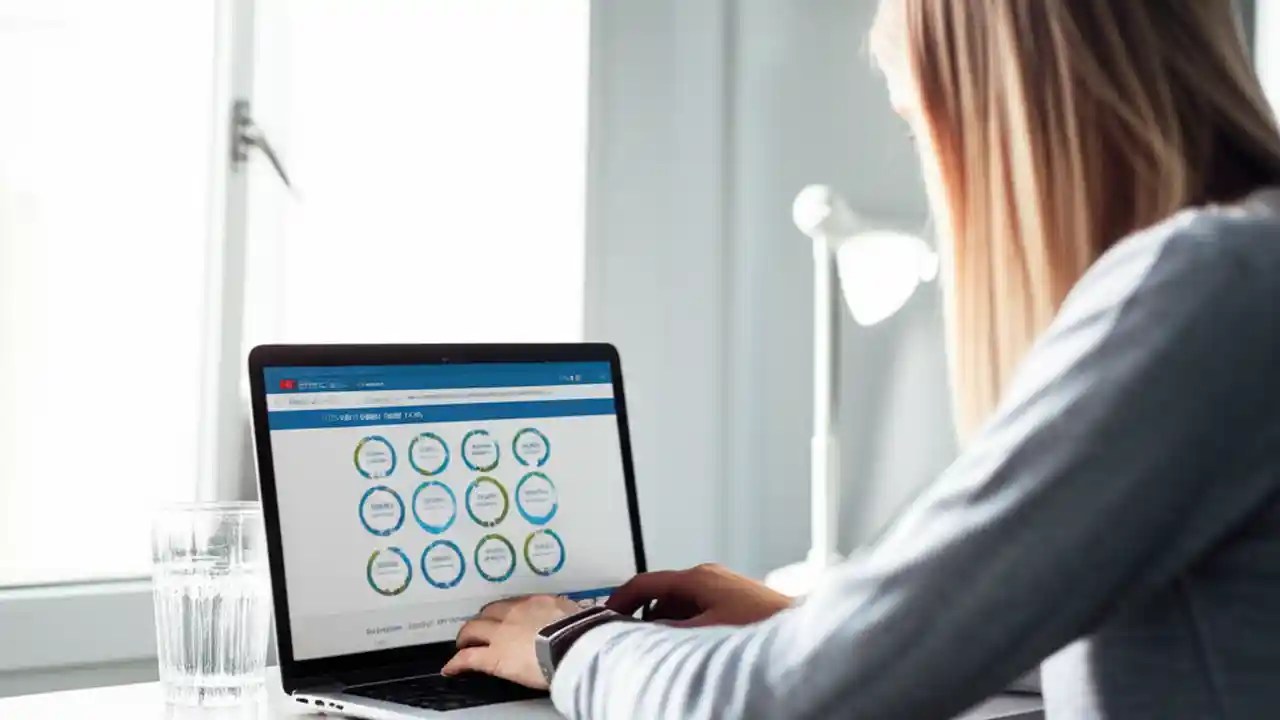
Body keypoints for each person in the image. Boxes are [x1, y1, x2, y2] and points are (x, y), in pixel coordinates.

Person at [443, 0, 1280, 717]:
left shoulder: (1200, 292)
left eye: (920, 124)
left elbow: (776, 705)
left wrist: (571, 644)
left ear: (997, 111)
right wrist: (816, 624)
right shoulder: (1249, 267)